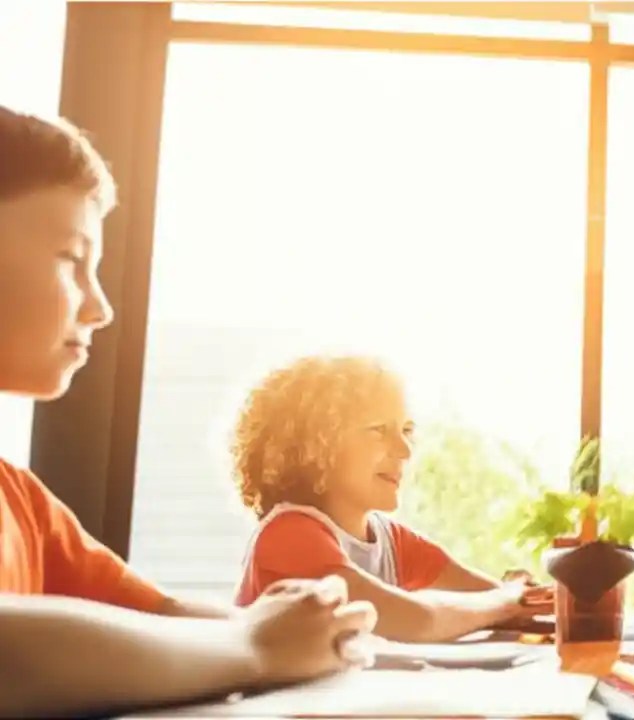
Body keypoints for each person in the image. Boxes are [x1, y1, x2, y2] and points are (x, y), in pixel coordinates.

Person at [0, 105, 377, 717]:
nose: (100, 308)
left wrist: (298, 626)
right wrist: (253, 644)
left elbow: (158, 617)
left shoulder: (19, 498)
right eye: (71, 259)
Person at [232, 355, 551, 642]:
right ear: (315, 446)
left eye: (406, 430)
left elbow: (500, 604)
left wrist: (524, 600)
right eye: (379, 430)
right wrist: (509, 600)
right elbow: (417, 620)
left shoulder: (390, 540)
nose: (405, 450)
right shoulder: (289, 536)